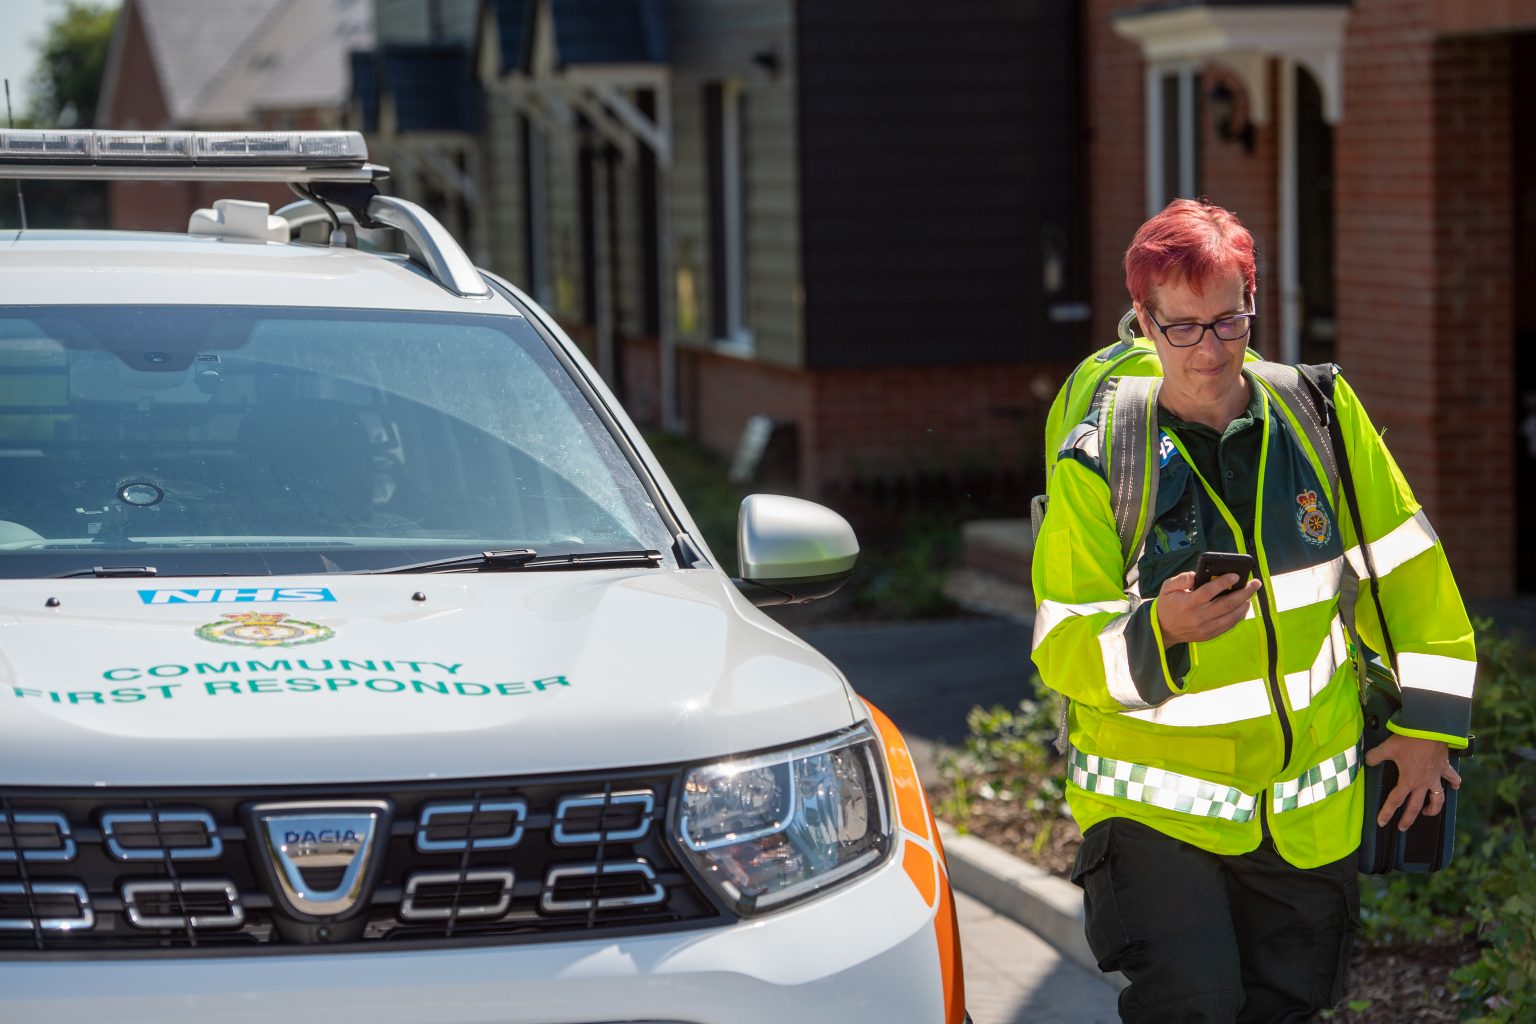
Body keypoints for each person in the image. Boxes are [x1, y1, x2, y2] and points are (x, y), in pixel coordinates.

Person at [1029, 198, 1477, 1023]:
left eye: (1228, 321)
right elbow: (1061, 644)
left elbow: (1410, 576)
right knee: (1194, 1008)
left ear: (1252, 306)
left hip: (1308, 816)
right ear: (1144, 322)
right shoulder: (1101, 458)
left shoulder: (1321, 419)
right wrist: (1156, 631)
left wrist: (1428, 728)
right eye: (1183, 327)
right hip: (1154, 818)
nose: (1209, 349)